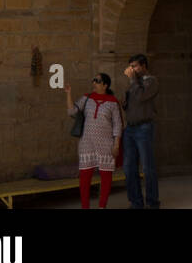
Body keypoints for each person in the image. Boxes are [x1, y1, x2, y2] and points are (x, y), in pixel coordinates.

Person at [66, 72, 123, 210]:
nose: (94, 83)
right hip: (87, 143)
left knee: (106, 177)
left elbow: (118, 124)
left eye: (97, 80)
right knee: (85, 176)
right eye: (93, 80)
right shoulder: (86, 98)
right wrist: (68, 93)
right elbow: (72, 112)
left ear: (105, 85)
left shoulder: (113, 102)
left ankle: (102, 206)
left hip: (106, 144)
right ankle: (85, 207)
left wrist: (116, 144)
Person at [123, 53, 159, 210]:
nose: (132, 69)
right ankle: (136, 202)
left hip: (144, 128)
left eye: (135, 66)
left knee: (147, 167)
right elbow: (130, 103)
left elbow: (140, 97)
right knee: (129, 167)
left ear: (144, 66)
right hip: (130, 129)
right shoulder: (134, 83)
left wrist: (132, 80)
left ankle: (152, 202)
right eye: (131, 66)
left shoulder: (151, 81)